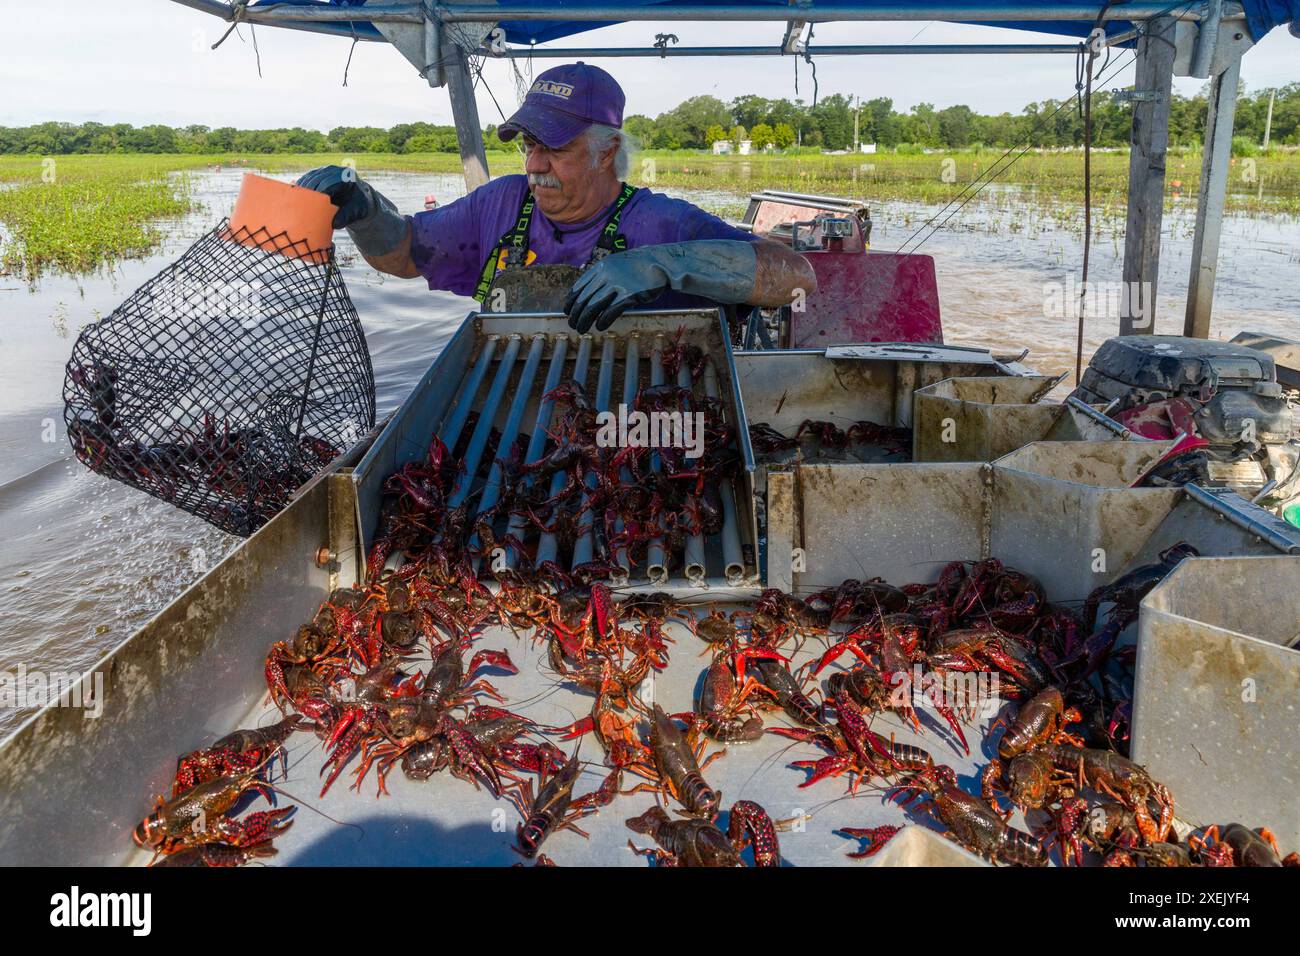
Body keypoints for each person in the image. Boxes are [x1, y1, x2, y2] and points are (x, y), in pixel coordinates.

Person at [296, 62, 815, 332]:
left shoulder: (660, 223)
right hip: (514, 409)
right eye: (528, 145)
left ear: (606, 152)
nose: (535, 164)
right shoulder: (498, 204)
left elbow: (797, 277)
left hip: (637, 426)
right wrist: (366, 209)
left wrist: (664, 265)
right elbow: (406, 252)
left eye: (555, 148)